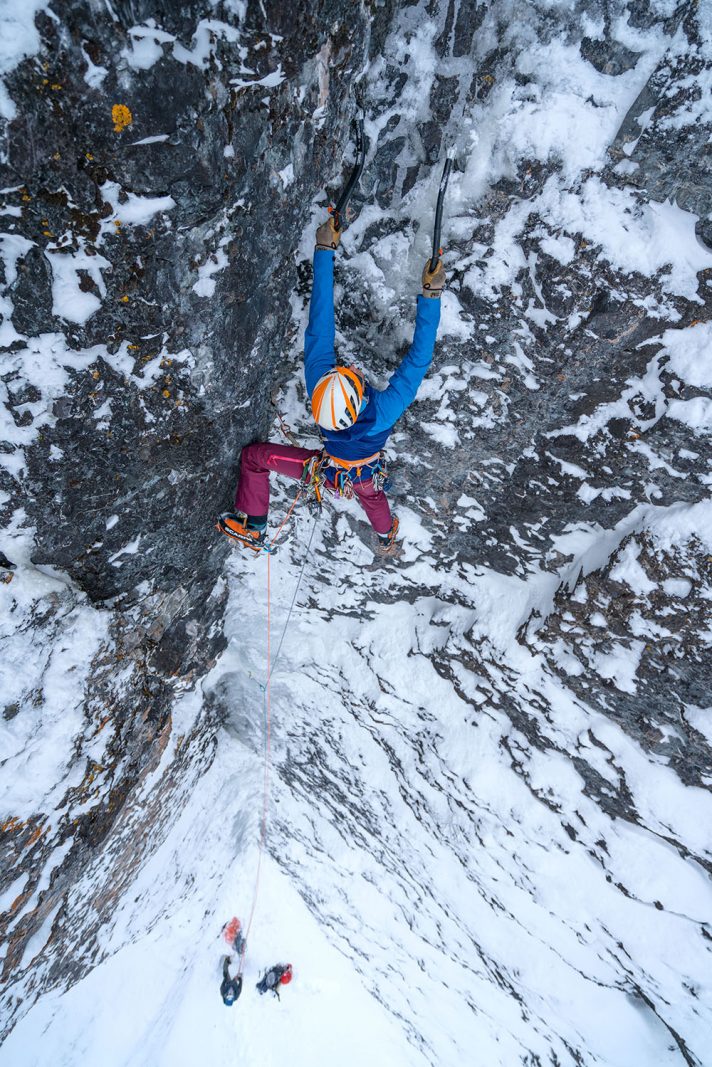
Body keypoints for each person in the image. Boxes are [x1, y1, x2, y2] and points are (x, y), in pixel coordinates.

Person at [218, 216, 445, 556]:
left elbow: (320, 324)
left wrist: (324, 248)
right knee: (370, 496)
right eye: (352, 374)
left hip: (328, 472)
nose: (349, 366)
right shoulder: (382, 411)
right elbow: (418, 359)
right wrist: (431, 296)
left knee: (255, 458)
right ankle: (386, 535)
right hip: (353, 472)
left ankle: (254, 525)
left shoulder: (320, 384)